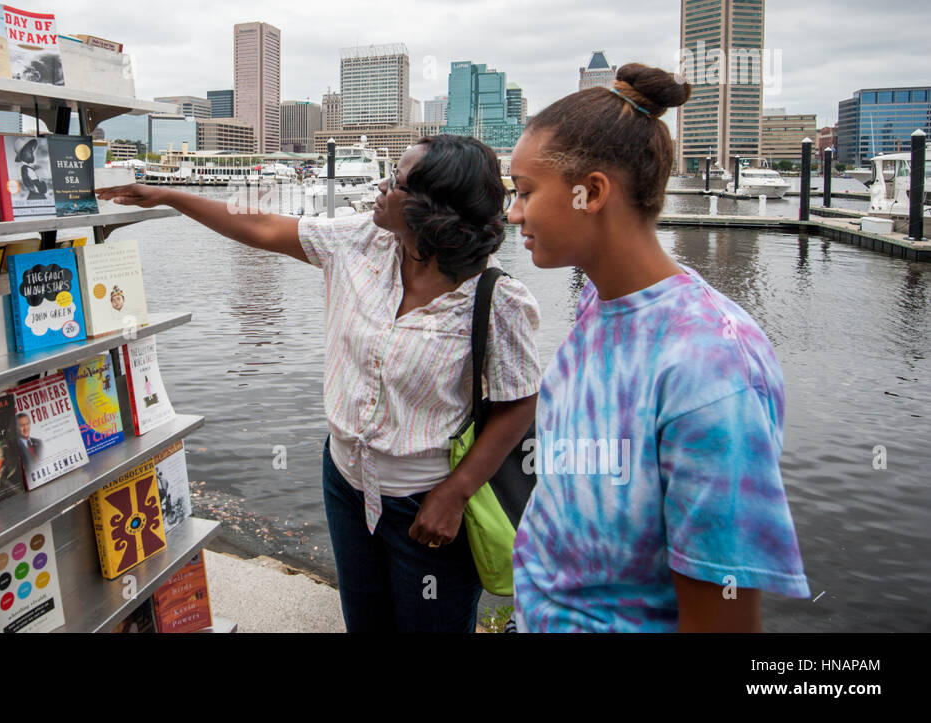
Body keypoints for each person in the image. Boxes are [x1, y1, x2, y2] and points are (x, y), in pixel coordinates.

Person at [99, 134, 542, 633]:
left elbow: (519, 403)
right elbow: (264, 225)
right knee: (365, 621)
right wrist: (171, 197)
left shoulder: (498, 299)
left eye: (394, 181)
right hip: (346, 485)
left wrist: (457, 493)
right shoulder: (361, 241)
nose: (379, 186)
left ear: (431, 208)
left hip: (428, 502)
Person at [506, 62, 810, 632]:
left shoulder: (711, 365)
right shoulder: (600, 304)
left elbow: (723, 621)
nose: (513, 213)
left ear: (590, 192)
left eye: (525, 192)